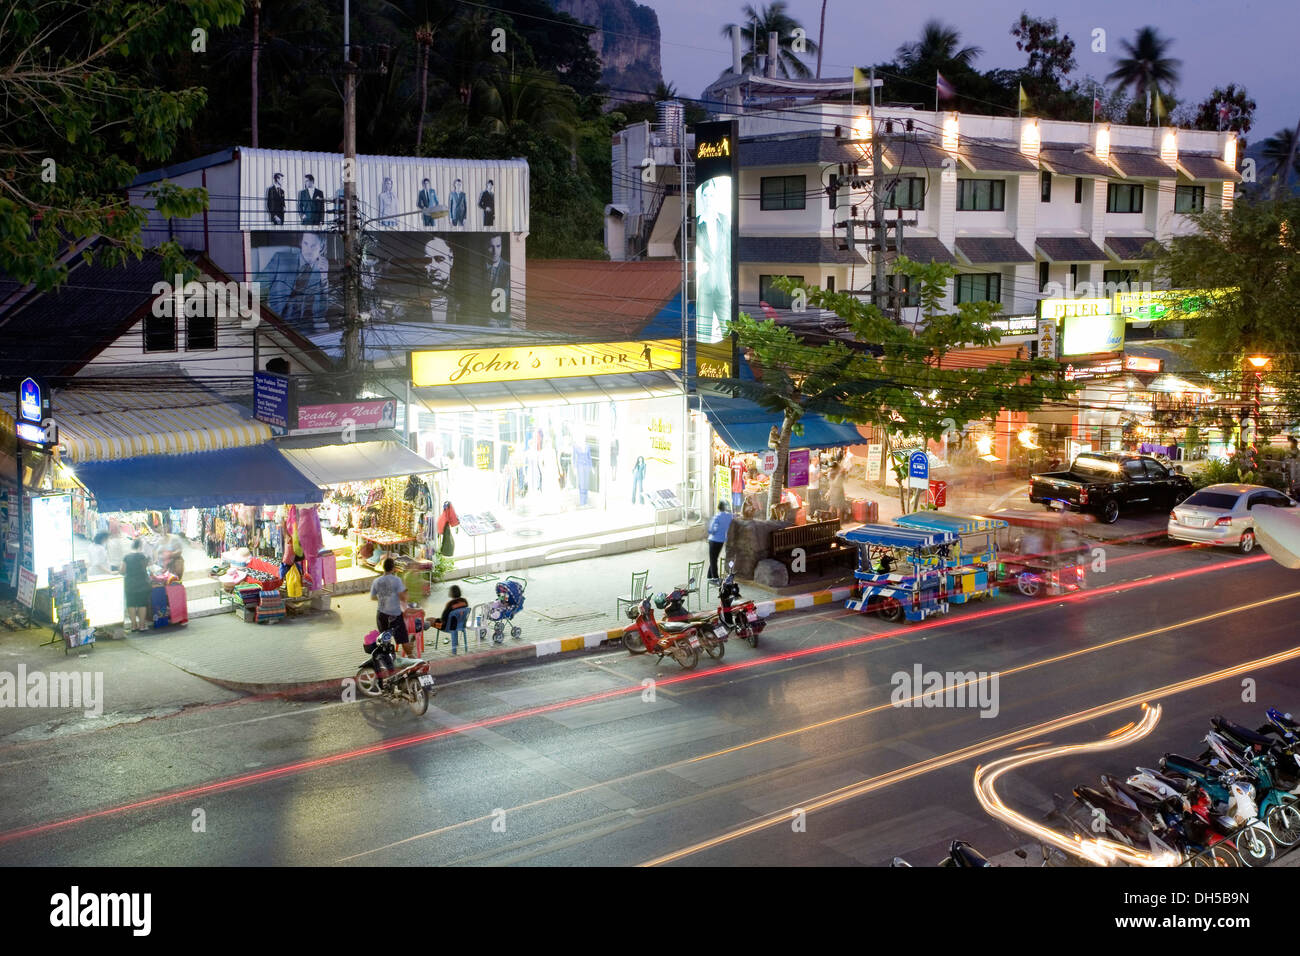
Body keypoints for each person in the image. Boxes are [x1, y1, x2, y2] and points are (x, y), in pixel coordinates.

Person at [262, 231, 330, 334]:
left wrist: (324, 277)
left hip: (303, 330)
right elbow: (258, 286)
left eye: (313, 246)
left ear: (321, 247)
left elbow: (320, 312)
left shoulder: (320, 272)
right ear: (301, 243)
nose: (308, 250)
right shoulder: (281, 259)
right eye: (305, 244)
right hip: (275, 321)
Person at [369, 557, 412, 657]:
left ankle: (388, 662)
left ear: (383, 568)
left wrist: (383, 598)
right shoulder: (397, 580)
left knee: (385, 640)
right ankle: (411, 658)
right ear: (393, 568)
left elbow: (373, 597)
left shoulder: (377, 581)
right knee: (404, 639)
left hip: (381, 614)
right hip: (395, 615)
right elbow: (402, 597)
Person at [424, 236, 457, 323]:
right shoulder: (413, 302)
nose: (433, 267)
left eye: (439, 259)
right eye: (428, 261)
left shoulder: (464, 302)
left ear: (451, 261)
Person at [122, 539, 152, 632]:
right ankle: (142, 626)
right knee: (142, 604)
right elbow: (148, 565)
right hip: (142, 583)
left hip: (129, 583)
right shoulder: (143, 556)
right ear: (140, 546)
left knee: (131, 604)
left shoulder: (126, 557)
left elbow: (122, 570)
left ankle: (133, 626)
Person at [434, 584, 471, 654]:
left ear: (451, 593)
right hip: (461, 625)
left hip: (449, 627)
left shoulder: (450, 604)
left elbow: (443, 618)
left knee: (431, 620)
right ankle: (455, 644)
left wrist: (437, 620)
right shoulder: (464, 601)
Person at [485, 233, 510, 323]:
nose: (495, 251)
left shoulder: (509, 269)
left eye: (498, 246)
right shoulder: (476, 267)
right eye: (491, 247)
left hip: (500, 322)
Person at [707, 501, 734, 581]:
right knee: (714, 558)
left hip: (713, 540)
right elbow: (734, 517)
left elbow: (711, 530)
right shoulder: (729, 516)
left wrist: (712, 531)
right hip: (722, 540)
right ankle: (709, 575)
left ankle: (715, 578)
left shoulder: (717, 517)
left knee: (713, 559)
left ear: (718, 507)